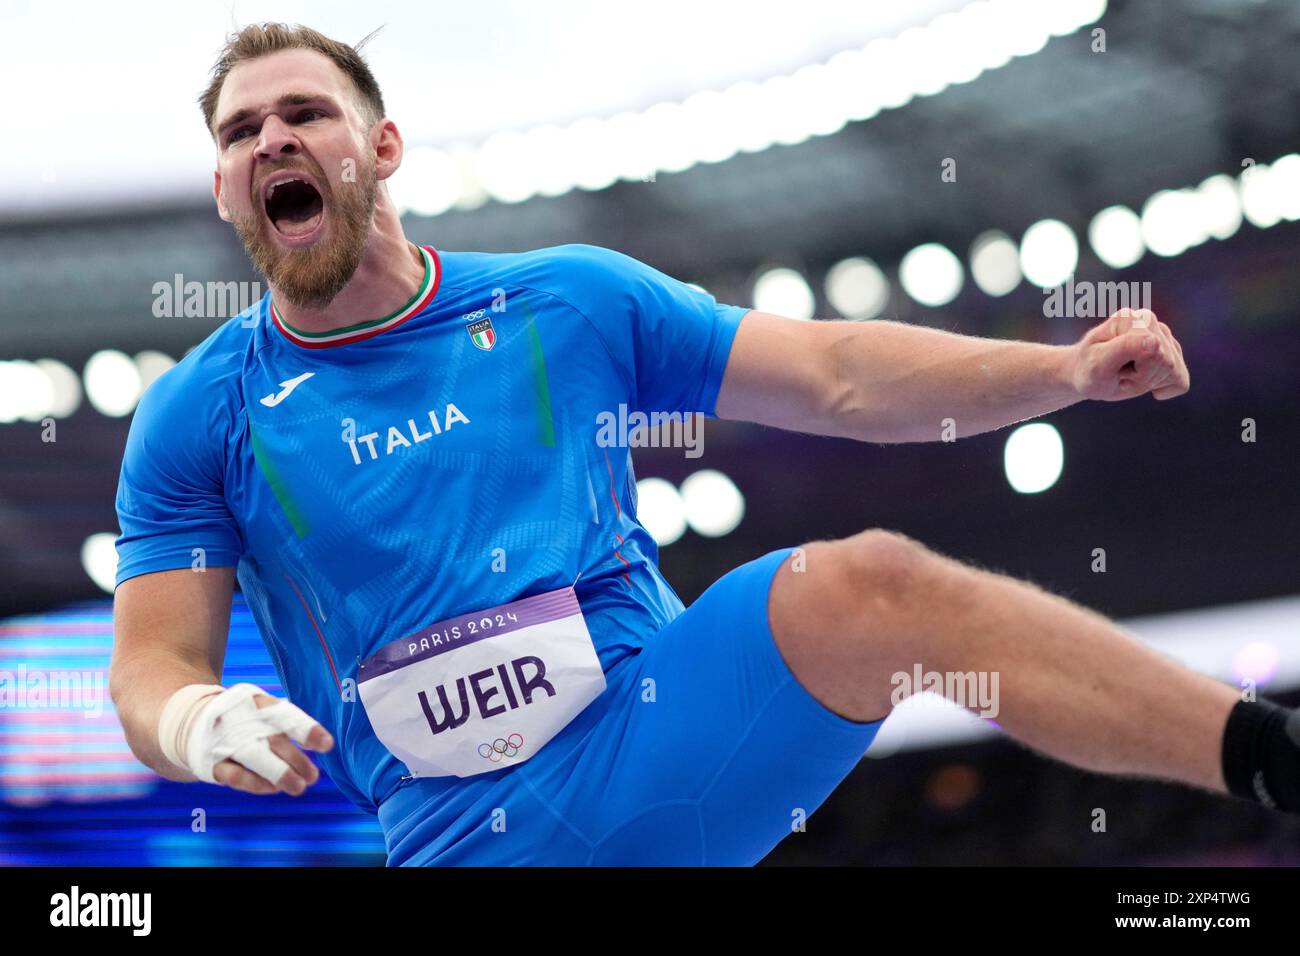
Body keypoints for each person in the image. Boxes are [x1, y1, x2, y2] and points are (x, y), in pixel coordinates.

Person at [110, 23, 1300, 866]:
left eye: (305, 112)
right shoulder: (198, 414)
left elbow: (835, 375)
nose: (272, 139)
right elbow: (150, 666)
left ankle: (1270, 752)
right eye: (241, 130)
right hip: (457, 841)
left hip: (657, 733)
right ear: (224, 188)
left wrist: (1061, 370)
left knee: (870, 583)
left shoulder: (564, 302)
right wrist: (199, 721)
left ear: (380, 147)